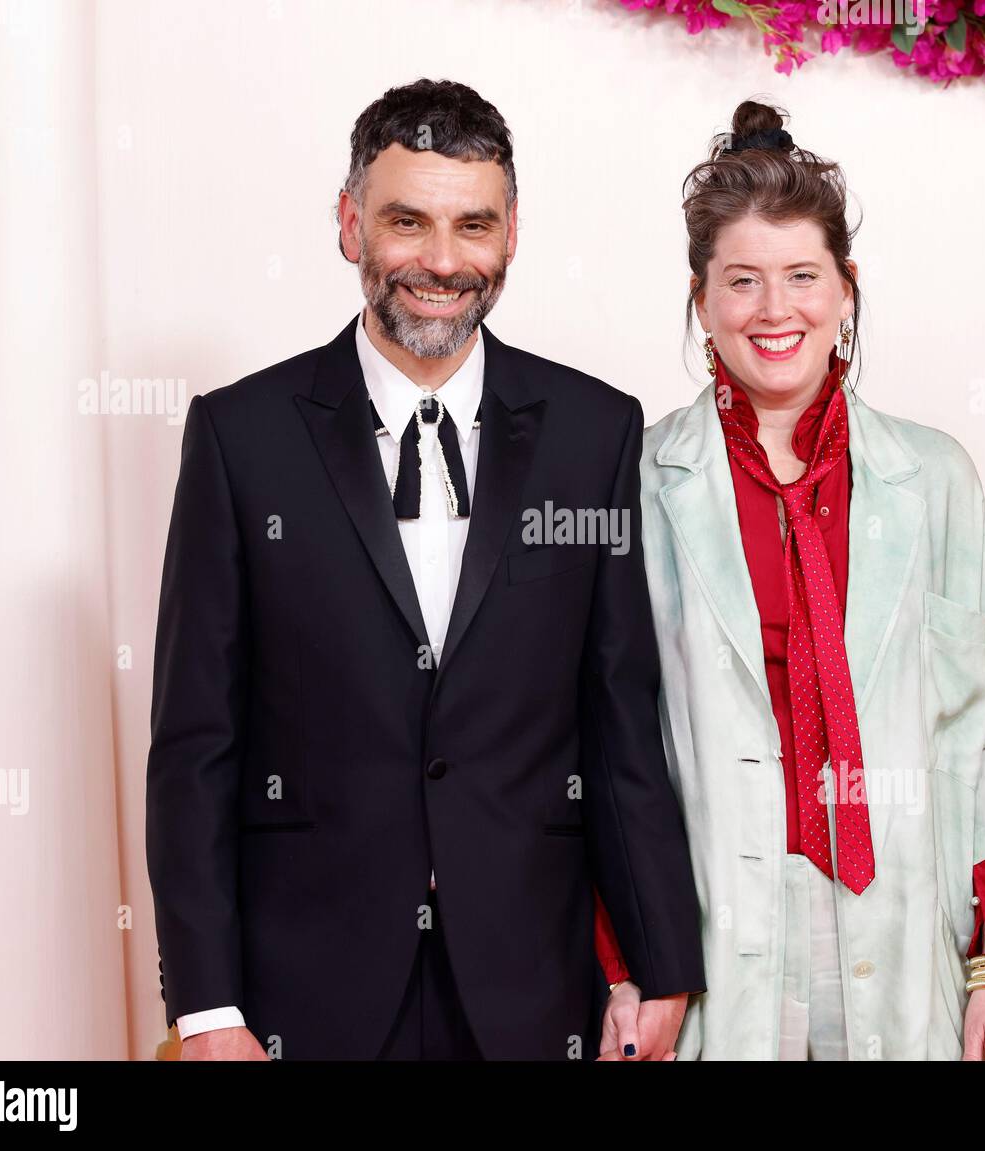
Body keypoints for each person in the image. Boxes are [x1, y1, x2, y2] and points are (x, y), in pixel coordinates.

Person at [145, 78, 705, 1061]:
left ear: (512, 233)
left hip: (532, 988)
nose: (441, 262)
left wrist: (661, 963)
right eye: (407, 221)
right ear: (349, 223)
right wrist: (205, 1006)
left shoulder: (594, 430)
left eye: (472, 225)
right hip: (301, 995)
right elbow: (195, 747)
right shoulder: (242, 436)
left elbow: (619, 722)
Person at [602, 98, 985, 1060]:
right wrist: (626, 966)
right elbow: (600, 750)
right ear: (700, 296)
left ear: (846, 288)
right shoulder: (633, 482)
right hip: (712, 939)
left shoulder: (935, 480)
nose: (775, 310)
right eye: (743, 281)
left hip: (903, 935)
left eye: (802, 276)